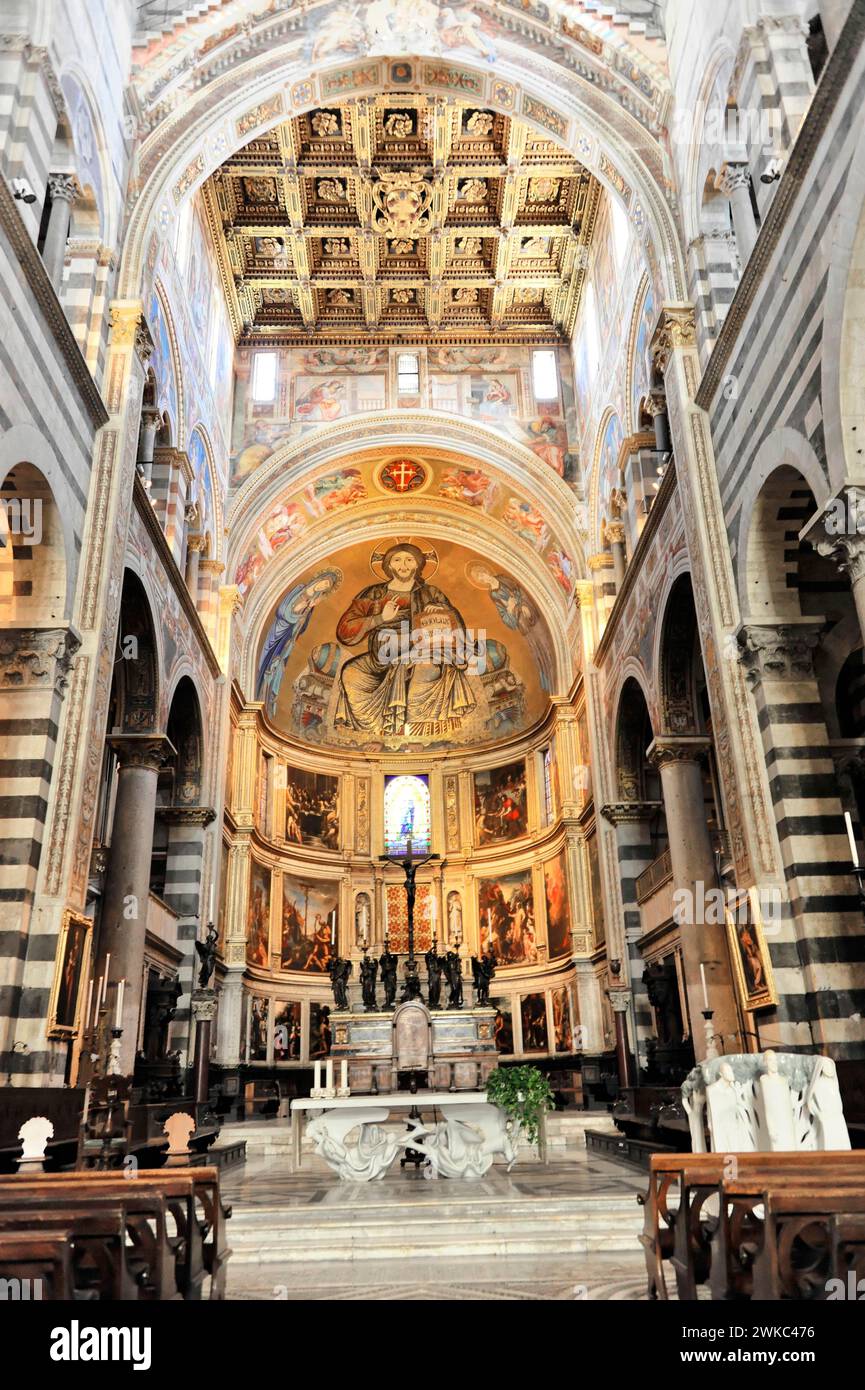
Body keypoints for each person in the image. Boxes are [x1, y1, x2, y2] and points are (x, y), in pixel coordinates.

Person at [335, 543, 474, 737]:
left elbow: (455, 627)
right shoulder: (373, 594)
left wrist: (442, 611)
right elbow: (345, 630)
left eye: (409, 560)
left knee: (426, 666)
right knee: (351, 672)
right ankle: (376, 732)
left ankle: (421, 733)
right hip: (381, 656)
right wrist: (380, 618)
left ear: (417, 565)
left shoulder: (430, 593)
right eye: (397, 560)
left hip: (420, 650)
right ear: (389, 566)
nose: (404, 565)